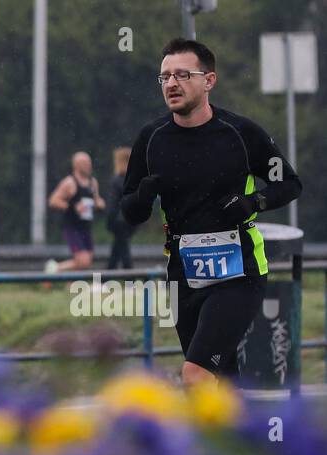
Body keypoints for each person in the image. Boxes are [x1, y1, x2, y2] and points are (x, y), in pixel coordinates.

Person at [120, 38, 302, 387]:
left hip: (238, 272)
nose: (172, 83)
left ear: (209, 81)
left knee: (196, 373)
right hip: (183, 274)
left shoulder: (242, 134)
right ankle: (243, 439)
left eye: (183, 74)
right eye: (165, 77)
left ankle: (203, 441)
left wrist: (254, 203)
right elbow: (129, 213)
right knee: (223, 382)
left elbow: (290, 183)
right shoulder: (152, 138)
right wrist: (141, 199)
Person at [45, 151, 104, 273]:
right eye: (85, 163)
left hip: (86, 226)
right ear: (76, 165)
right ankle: (55, 269)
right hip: (72, 227)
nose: (89, 165)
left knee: (87, 261)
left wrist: (99, 204)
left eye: (89, 162)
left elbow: (98, 200)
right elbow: (53, 200)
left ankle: (70, 284)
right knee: (83, 260)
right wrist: (72, 207)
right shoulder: (69, 182)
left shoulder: (93, 183)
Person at [105, 146, 135, 270]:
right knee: (118, 248)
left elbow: (113, 205)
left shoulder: (117, 181)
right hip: (131, 219)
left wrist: (109, 222)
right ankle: (107, 276)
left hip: (119, 221)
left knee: (122, 250)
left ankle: (131, 280)